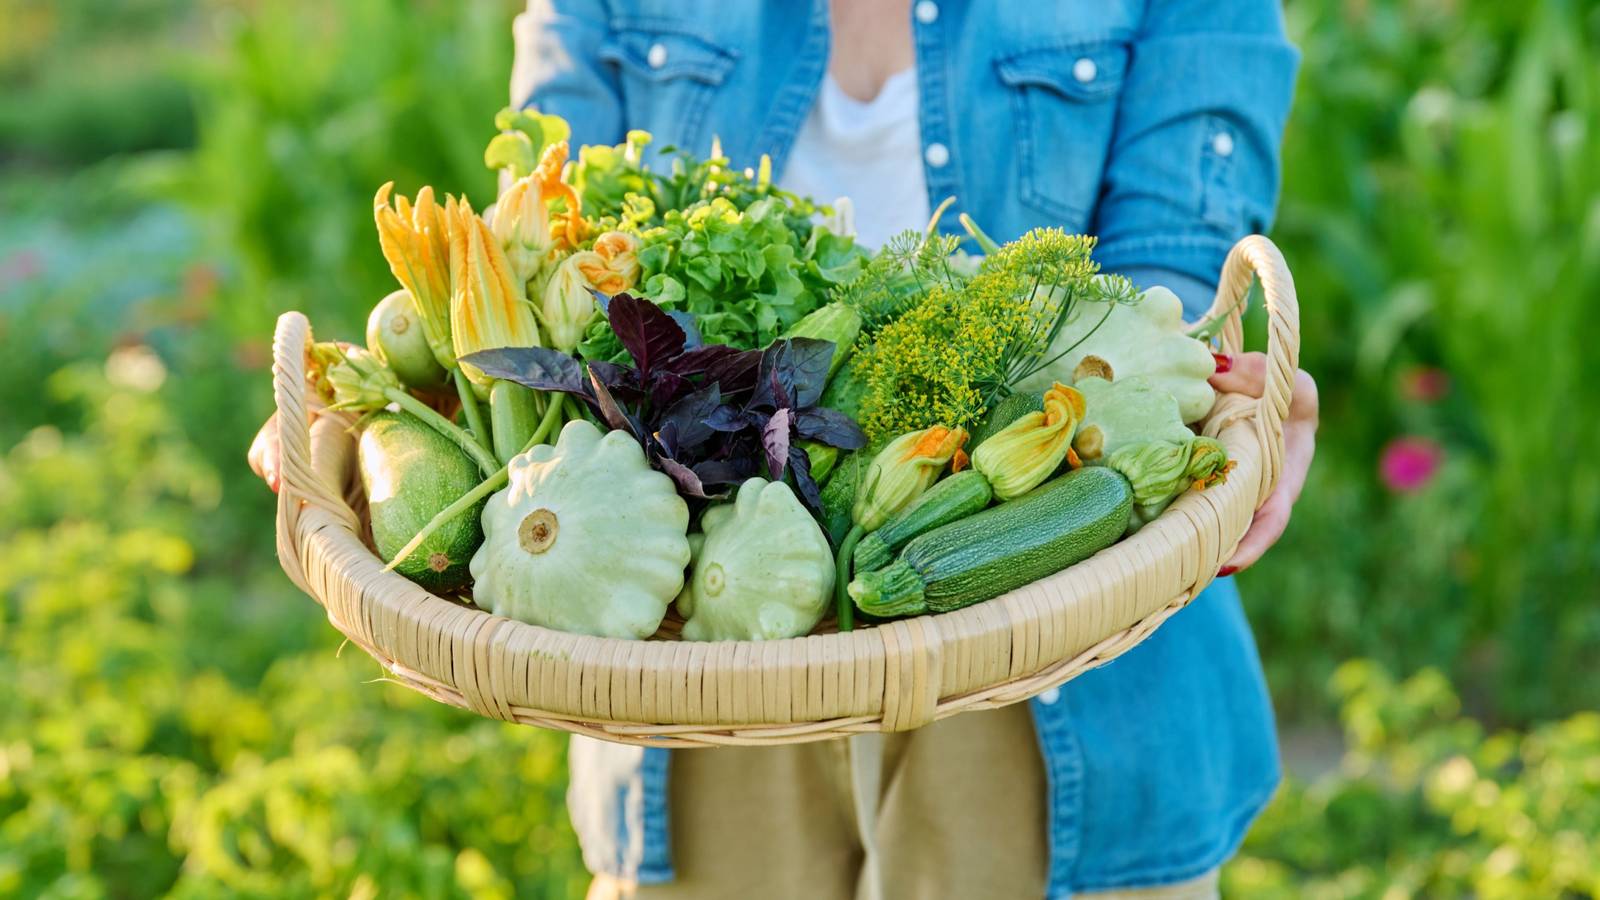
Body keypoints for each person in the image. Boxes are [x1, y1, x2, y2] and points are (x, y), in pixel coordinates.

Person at [254, 1, 1318, 896]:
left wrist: (1210, 392)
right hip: (690, 634)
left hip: (1049, 614)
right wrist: (383, 408)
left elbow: (1172, 276)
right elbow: (543, 227)